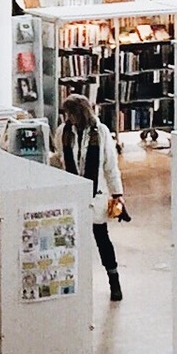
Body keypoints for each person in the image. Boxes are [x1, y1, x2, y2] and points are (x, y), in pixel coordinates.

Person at [56, 93, 126, 301]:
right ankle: (75, 284)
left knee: (102, 239)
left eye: (71, 113)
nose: (68, 118)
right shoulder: (63, 132)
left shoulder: (101, 132)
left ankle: (114, 281)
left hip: (96, 197)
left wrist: (118, 194)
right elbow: (61, 159)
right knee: (72, 241)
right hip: (72, 195)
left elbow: (110, 166)